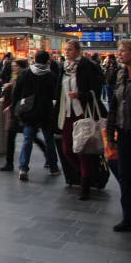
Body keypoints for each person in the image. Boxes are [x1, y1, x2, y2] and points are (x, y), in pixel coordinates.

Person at [56, 39, 106, 200]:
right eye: (66, 49)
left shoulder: (87, 66)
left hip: (83, 113)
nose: (67, 52)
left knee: (82, 150)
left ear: (78, 51)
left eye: (70, 49)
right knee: (67, 149)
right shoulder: (63, 68)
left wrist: (80, 95)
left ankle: (85, 185)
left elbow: (96, 90)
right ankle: (86, 174)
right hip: (67, 113)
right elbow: (59, 91)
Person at [12, 51, 60, 181]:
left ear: (34, 59)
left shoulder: (25, 73)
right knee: (49, 140)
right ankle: (54, 167)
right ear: (47, 61)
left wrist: (14, 107)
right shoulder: (51, 76)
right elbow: (56, 95)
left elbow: (16, 92)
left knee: (27, 140)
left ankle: (23, 168)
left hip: (29, 112)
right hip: (46, 112)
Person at [108, 39, 131, 232]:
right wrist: (110, 130)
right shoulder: (121, 74)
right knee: (124, 173)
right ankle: (127, 217)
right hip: (123, 131)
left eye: (122, 50)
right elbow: (114, 104)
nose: (119, 53)